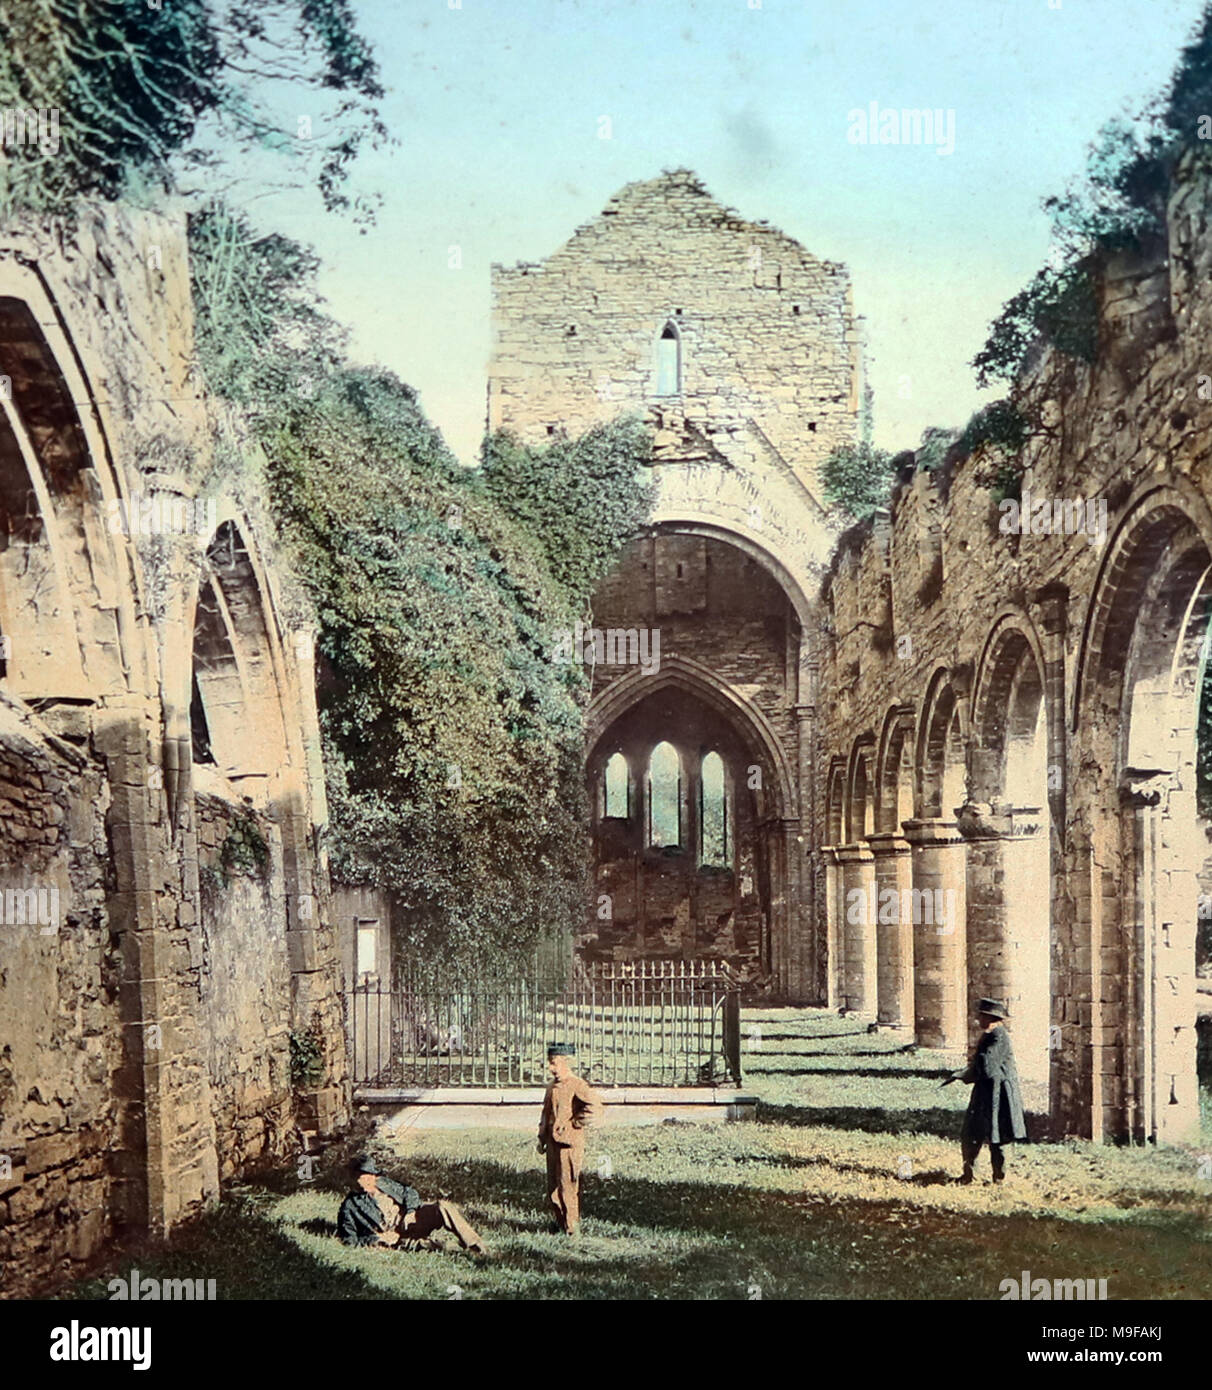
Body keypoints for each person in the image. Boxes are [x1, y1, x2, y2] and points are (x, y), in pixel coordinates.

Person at [943, 997, 1028, 1184]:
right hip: (985, 1093)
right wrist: (961, 1074)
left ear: (991, 1018)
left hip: (999, 1095)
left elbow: (987, 1067)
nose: (978, 1020)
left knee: (997, 1137)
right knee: (971, 1133)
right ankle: (969, 1175)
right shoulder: (990, 1036)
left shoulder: (999, 1037)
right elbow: (981, 1068)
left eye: (981, 1016)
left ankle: (999, 1178)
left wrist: (968, 1070)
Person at [337, 1154, 487, 1254]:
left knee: (443, 1206)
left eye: (369, 1177)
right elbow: (349, 1239)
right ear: (354, 1178)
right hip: (396, 1237)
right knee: (440, 1246)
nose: (366, 1182)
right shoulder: (350, 1206)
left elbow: (410, 1192)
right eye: (361, 1178)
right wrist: (379, 1239)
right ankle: (461, 1251)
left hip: (411, 1221)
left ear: (375, 1176)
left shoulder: (385, 1184)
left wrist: (410, 1211)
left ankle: (478, 1246)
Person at [536, 1042, 603, 1235]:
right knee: (553, 1188)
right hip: (552, 1143)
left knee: (568, 1185)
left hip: (569, 1145)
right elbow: (545, 1113)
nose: (551, 1068)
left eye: (554, 1063)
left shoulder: (576, 1085)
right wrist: (541, 1137)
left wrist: (575, 1123)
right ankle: (559, 1222)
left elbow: (594, 1106)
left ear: (566, 1063)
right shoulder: (551, 1087)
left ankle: (572, 1229)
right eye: (550, 1063)